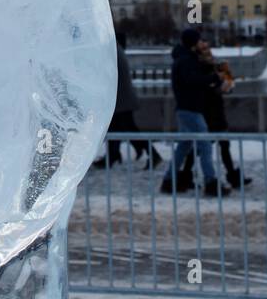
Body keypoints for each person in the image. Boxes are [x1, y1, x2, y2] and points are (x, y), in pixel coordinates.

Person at [160, 28, 229, 197]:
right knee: (205, 144)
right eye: (199, 40)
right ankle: (210, 182)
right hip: (190, 109)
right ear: (193, 43)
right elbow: (192, 81)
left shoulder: (185, 59)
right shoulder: (186, 61)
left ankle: (169, 181)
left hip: (186, 109)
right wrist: (214, 78)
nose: (201, 43)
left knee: (184, 146)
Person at [182, 40, 252, 189]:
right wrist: (218, 84)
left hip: (217, 113)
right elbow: (205, 88)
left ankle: (187, 175)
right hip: (208, 113)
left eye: (209, 50)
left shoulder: (214, 67)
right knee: (202, 147)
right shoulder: (201, 69)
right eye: (205, 51)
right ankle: (188, 175)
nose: (209, 53)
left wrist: (227, 81)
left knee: (219, 146)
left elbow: (225, 88)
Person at [92, 32, 163, 170]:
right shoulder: (116, 50)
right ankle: (113, 156)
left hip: (121, 101)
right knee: (115, 129)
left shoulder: (112, 52)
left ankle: (153, 154)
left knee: (129, 130)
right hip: (121, 100)